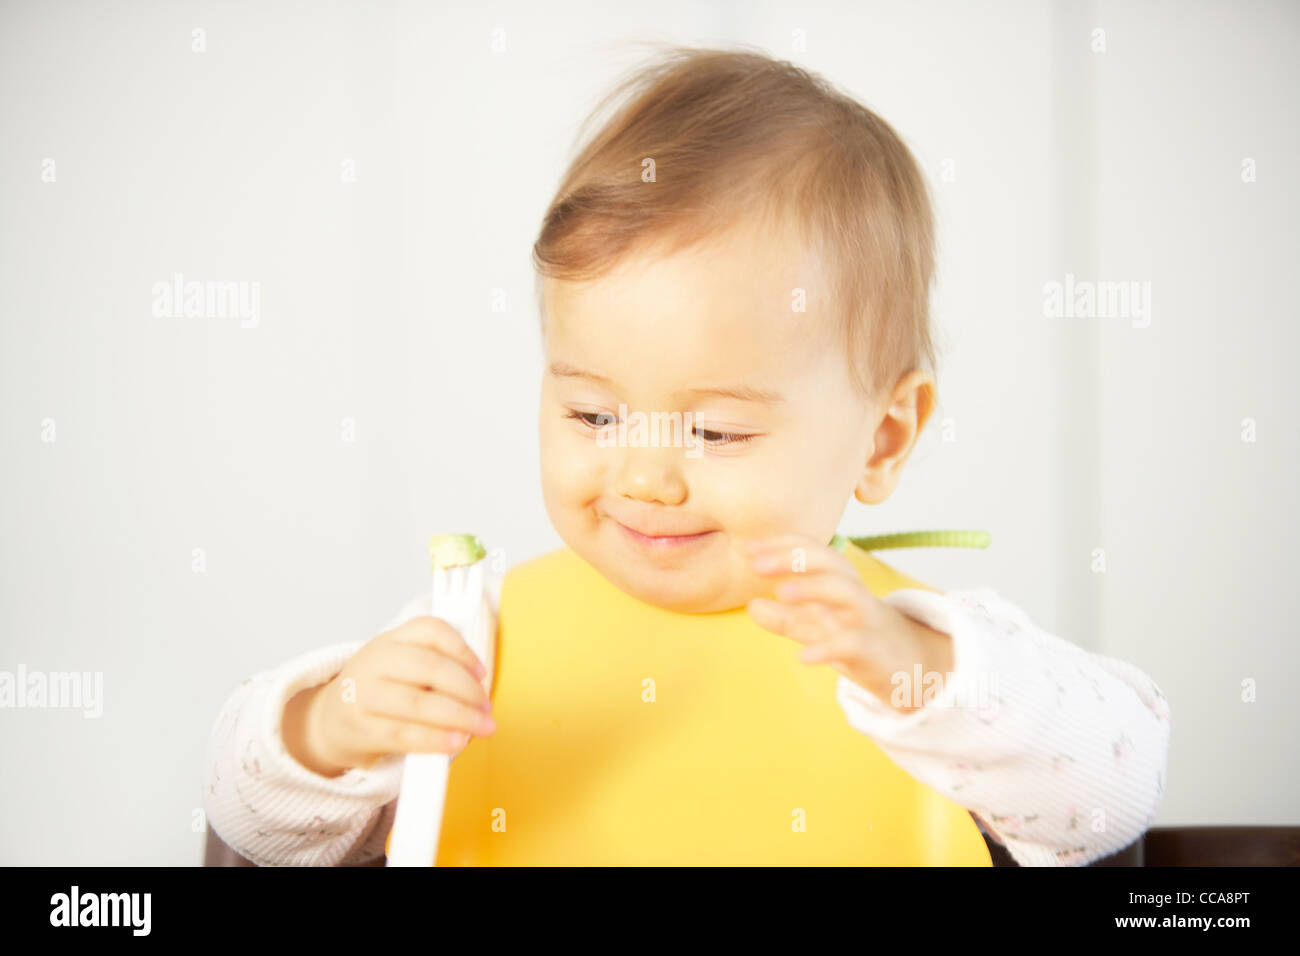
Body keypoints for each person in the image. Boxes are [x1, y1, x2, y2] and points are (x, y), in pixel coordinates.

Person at [202, 45, 1170, 866]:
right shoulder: (474, 629)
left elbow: (1113, 790)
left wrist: (913, 669)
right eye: (592, 414)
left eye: (713, 432)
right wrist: (328, 728)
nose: (645, 477)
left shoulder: (925, 652)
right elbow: (248, 820)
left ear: (881, 437)